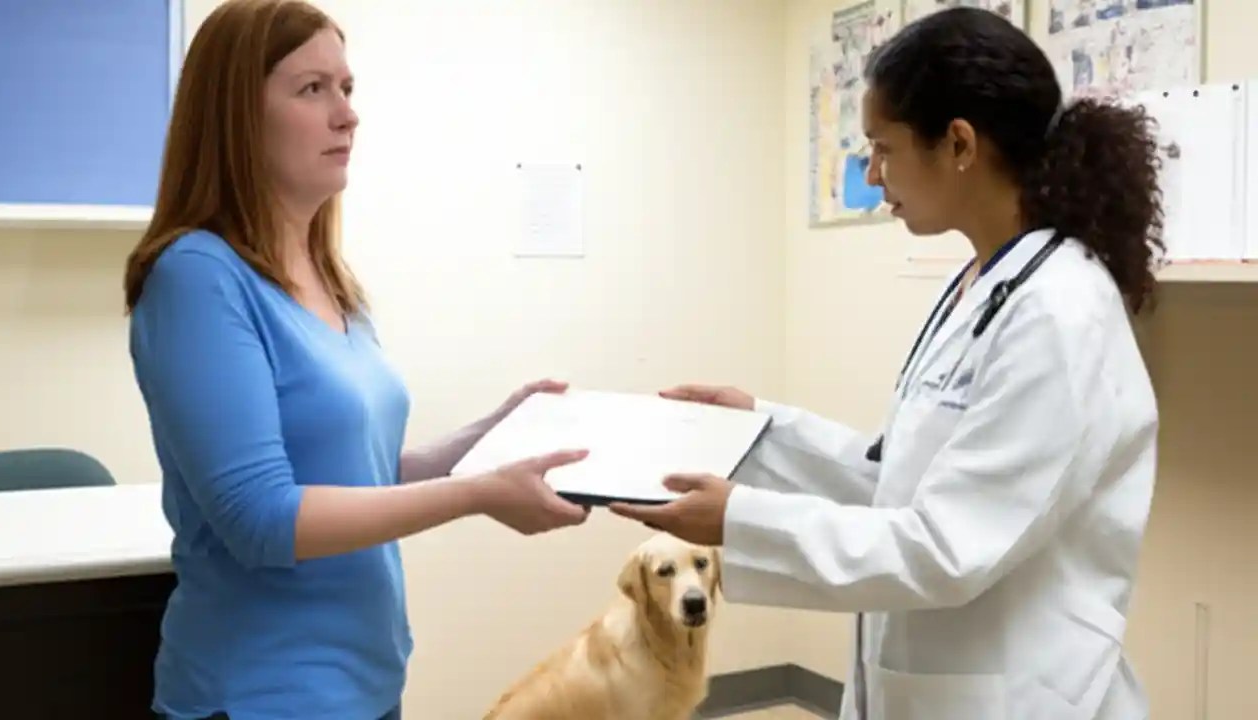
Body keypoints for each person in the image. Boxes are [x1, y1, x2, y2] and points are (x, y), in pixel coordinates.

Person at [610, 8, 1161, 720]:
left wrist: (739, 522)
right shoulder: (984, 287)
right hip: (938, 681)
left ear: (958, 143)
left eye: (882, 148)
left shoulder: (1060, 314)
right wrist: (757, 430)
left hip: (1020, 694)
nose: (871, 175)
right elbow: (898, 479)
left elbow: (944, 545)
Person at [122, 2, 589, 718]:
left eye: (347, 88)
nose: (347, 115)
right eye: (312, 89)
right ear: (237, 116)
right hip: (258, 698)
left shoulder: (330, 279)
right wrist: (477, 496)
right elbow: (263, 518)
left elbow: (359, 473)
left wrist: (490, 439)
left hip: (367, 688)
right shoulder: (196, 277)